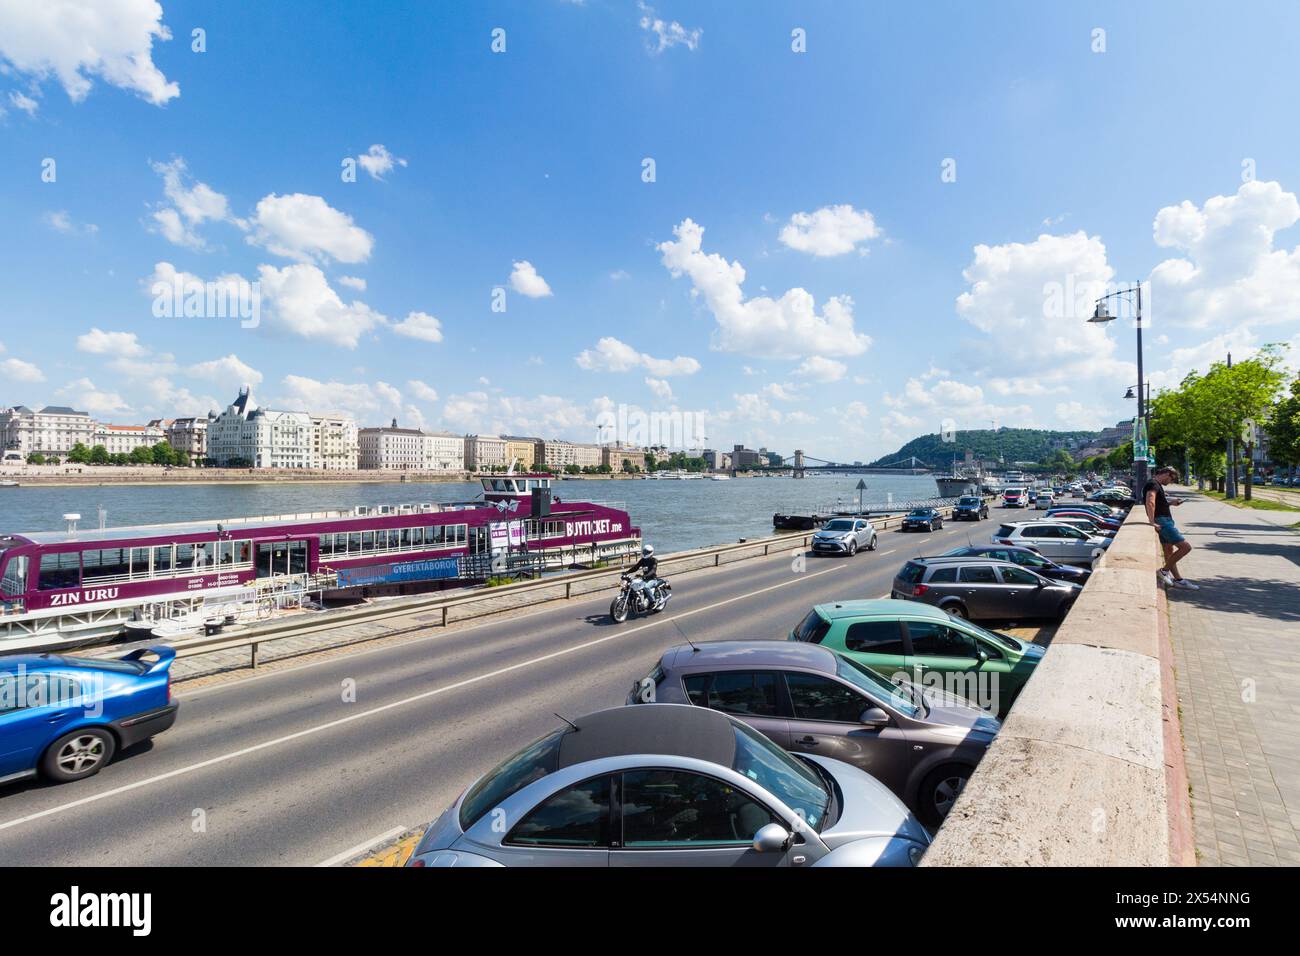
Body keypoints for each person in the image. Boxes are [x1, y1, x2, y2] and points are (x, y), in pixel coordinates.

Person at [1144, 466, 1197, 589]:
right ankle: (1163, 571)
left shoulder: (1156, 484)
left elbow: (1157, 503)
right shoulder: (1153, 484)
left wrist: (1171, 503)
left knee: (1169, 551)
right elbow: (1150, 501)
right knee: (1185, 547)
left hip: (1164, 520)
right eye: (1171, 479)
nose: (1170, 482)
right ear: (1166, 474)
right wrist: (1152, 522)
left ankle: (1178, 579)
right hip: (1162, 522)